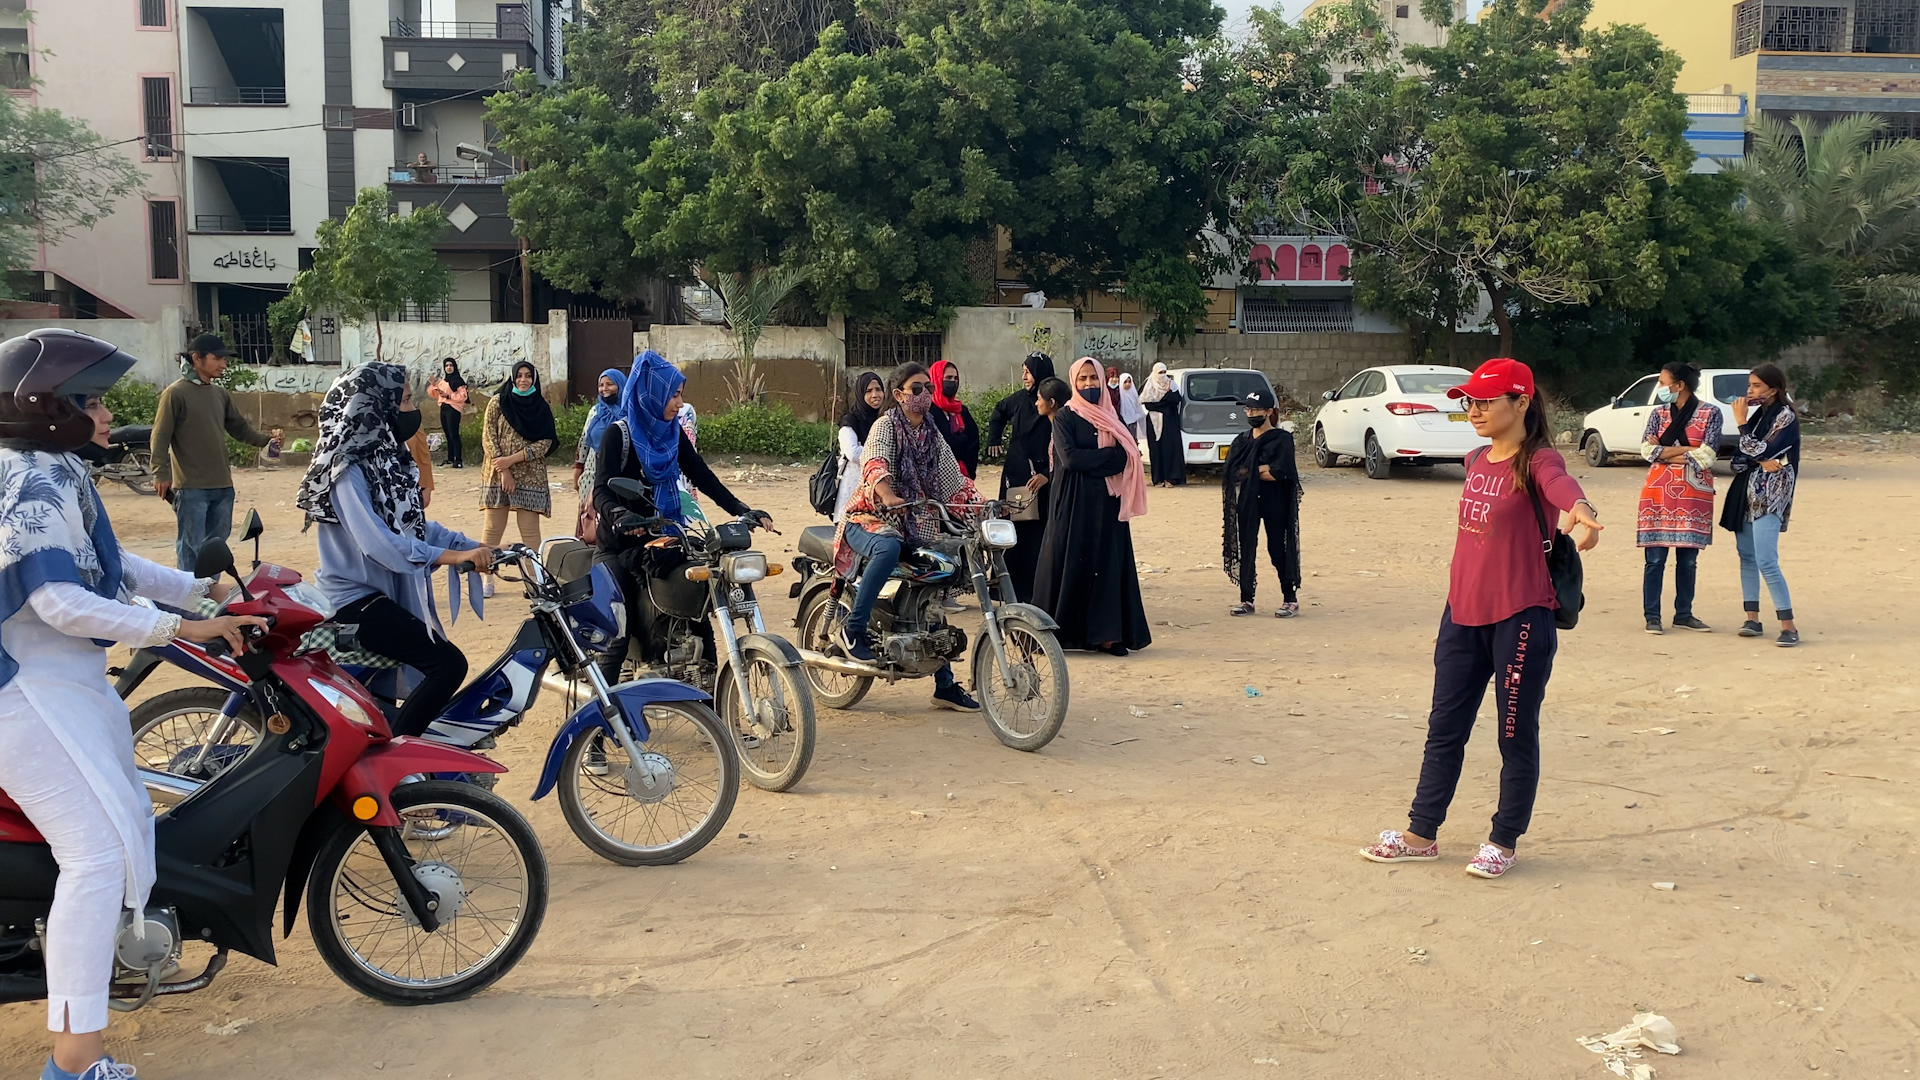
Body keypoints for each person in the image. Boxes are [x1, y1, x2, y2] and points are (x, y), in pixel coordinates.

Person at [0, 329, 264, 1080]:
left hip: (63, 686)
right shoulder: (28, 481)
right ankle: (75, 1061)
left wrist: (202, 587)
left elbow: (110, 569)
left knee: (121, 831)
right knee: (93, 852)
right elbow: (56, 598)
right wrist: (178, 627)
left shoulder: (59, 472)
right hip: (22, 690)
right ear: (43, 407)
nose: (107, 413)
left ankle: (108, 973)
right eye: (89, 400)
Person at [1359, 358, 1603, 880]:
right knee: (1444, 728)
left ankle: (1503, 839)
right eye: (1470, 400)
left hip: (1519, 618)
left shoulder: (1537, 461)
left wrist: (1580, 509)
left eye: (1488, 400)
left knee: (1514, 733)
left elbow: (1560, 484)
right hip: (1462, 615)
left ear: (1521, 403)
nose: (1475, 409)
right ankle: (1421, 834)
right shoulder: (1474, 459)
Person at [297, 364, 490, 737]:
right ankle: (401, 757)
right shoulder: (346, 470)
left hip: (385, 594)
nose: (412, 406)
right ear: (375, 404)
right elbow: (377, 543)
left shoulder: (385, 458)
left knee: (379, 701)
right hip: (355, 599)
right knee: (447, 666)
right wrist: (449, 557)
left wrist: (472, 546)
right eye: (403, 399)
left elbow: (413, 525)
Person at [591, 351, 765, 683]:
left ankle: (717, 716)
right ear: (651, 393)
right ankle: (596, 727)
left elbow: (701, 475)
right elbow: (600, 491)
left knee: (700, 613)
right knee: (619, 631)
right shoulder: (619, 434)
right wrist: (622, 516)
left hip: (667, 537)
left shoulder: (671, 432)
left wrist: (742, 510)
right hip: (618, 545)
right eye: (673, 394)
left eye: (680, 394)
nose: (679, 403)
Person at [832, 362, 982, 711]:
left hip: (913, 521)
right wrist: (887, 494)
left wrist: (983, 505)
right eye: (917, 389)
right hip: (867, 516)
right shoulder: (885, 426)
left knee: (937, 576)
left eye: (928, 389)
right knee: (887, 547)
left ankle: (944, 684)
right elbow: (874, 464)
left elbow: (952, 481)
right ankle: (853, 629)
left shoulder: (931, 431)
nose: (925, 395)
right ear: (898, 395)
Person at [1033, 357, 1152, 656]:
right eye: (1083, 379)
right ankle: (1056, 634)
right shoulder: (1066, 417)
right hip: (1072, 503)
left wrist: (1097, 460)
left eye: (1093, 378)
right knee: (1070, 562)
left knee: (1107, 567)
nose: (1089, 384)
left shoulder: (1112, 416)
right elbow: (1071, 459)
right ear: (1074, 382)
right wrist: (1105, 458)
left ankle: (1107, 636)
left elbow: (1126, 456)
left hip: (1108, 505)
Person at [150, 332, 272, 569]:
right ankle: (190, 599)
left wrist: (266, 441)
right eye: (217, 358)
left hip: (223, 487)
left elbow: (239, 428)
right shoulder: (175, 393)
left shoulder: (219, 394)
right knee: (190, 547)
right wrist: (160, 473)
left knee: (215, 548)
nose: (223, 365)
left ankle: (209, 596)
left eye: (224, 359)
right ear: (197, 359)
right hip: (191, 488)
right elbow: (160, 435)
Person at [1721, 363, 1801, 647]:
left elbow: (1764, 449)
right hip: (1746, 492)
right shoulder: (1759, 416)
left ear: (1773, 389)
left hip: (1770, 495)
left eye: (1755, 386)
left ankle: (1788, 625)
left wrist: (1743, 426)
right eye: (1749, 386)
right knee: (1747, 556)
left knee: (1766, 559)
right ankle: (1752, 618)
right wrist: (1758, 456)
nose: (1749, 391)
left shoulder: (1784, 416)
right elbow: (1739, 459)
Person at [1637, 361, 1721, 635]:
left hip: (1693, 495)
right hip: (1658, 495)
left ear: (1679, 385)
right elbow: (1647, 451)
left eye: (1662, 383)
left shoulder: (1711, 413)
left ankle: (1683, 614)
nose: (1660, 388)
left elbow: (1708, 456)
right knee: (1655, 559)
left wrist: (1667, 452)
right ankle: (1652, 616)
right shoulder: (1658, 414)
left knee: (1688, 560)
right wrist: (1688, 450)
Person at [1222, 388, 1303, 618]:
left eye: (1256, 409)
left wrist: (1252, 471)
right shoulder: (1241, 441)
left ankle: (1290, 598)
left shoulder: (1282, 439)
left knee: (1278, 548)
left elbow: (1281, 473)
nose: (1251, 413)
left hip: (1275, 501)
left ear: (1269, 412)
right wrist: (1262, 469)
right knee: (1247, 547)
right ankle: (1246, 598)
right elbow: (1232, 472)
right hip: (1248, 500)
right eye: (1248, 409)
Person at [985, 353, 1057, 601]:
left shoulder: (1057, 404)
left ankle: (1038, 588)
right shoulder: (1018, 400)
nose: (1025, 376)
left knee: (1040, 532)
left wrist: (1047, 474)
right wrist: (994, 440)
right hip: (1017, 476)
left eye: (1029, 371)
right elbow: (998, 412)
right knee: (1013, 531)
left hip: (1044, 479)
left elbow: (1063, 447)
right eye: (1023, 371)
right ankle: (1007, 587)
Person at [479, 361, 556, 597]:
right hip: (497, 473)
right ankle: (487, 578)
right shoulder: (498, 403)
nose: (523, 380)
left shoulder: (541, 407)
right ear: (512, 378)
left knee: (530, 531)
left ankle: (536, 580)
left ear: (534, 379)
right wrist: (503, 470)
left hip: (530, 476)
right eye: (519, 376)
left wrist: (512, 460)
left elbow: (546, 442)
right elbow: (489, 438)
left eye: (528, 376)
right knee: (493, 528)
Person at [835, 371, 885, 522]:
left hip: (880, 487)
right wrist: (883, 453)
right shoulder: (851, 420)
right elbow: (853, 453)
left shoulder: (886, 418)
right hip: (854, 484)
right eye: (868, 391)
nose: (875, 395)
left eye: (878, 390)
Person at [929, 359, 981, 478]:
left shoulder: (962, 410)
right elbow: (937, 442)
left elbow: (973, 439)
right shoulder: (929, 411)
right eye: (948, 378)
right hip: (938, 475)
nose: (952, 381)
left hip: (964, 473)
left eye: (955, 378)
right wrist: (961, 440)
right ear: (936, 379)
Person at [1138, 362, 1186, 487]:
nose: (1163, 375)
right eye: (1160, 373)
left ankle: (1170, 478)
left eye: (1164, 372)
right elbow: (1148, 403)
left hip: (1170, 422)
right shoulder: (1150, 386)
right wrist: (1165, 402)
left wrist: (1161, 403)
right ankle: (1158, 478)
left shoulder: (1171, 384)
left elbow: (1176, 400)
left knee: (1170, 449)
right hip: (1154, 423)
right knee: (1156, 450)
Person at [428, 358, 469, 467]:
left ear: (454, 367)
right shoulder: (443, 382)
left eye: (451, 365)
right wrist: (434, 386)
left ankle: (458, 459)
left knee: (453, 434)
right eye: (446, 366)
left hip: (453, 409)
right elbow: (436, 395)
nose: (449, 368)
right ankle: (450, 458)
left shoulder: (458, 381)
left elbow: (463, 396)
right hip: (443, 408)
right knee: (448, 434)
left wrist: (449, 396)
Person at [1117, 372, 1148, 443]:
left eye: (1129, 382)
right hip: (1121, 424)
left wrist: (1135, 417)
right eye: (1125, 382)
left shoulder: (1133, 395)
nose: (1127, 384)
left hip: (1132, 424)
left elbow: (1139, 409)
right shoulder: (1118, 396)